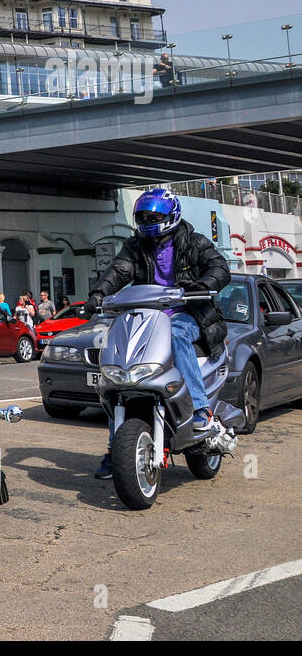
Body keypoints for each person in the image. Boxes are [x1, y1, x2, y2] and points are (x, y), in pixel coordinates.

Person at [86, 189, 230, 479]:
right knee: (118, 360)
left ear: (171, 216)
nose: (148, 221)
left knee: (176, 335)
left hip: (190, 314)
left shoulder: (193, 241)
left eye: (154, 216)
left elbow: (219, 267)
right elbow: (119, 270)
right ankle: (118, 451)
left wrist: (204, 284)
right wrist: (99, 292)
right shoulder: (135, 245)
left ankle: (201, 410)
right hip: (148, 316)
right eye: (143, 216)